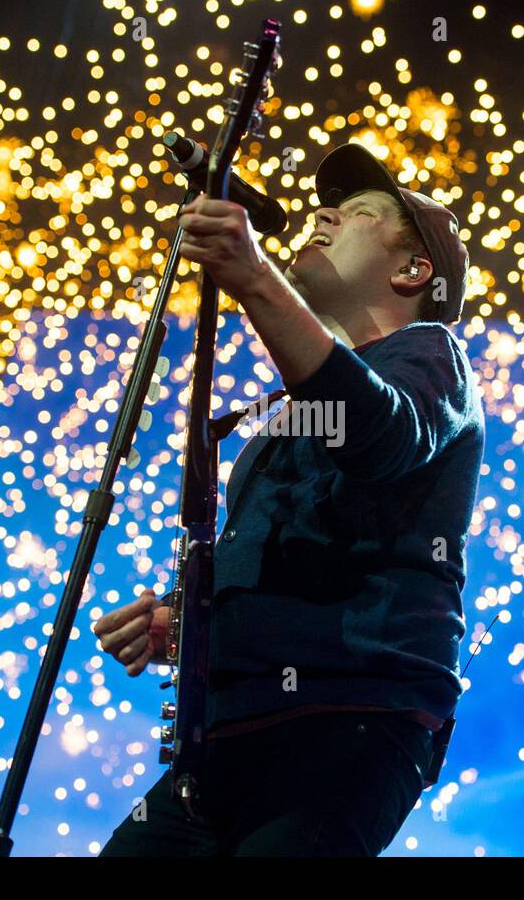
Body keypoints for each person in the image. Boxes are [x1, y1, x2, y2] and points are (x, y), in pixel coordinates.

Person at [94, 143, 485, 856]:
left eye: (360, 212)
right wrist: (185, 626)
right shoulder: (285, 415)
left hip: (346, 721)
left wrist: (253, 276)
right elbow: (293, 560)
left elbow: (377, 435)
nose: (324, 213)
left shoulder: (432, 353)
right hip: (224, 735)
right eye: (328, 206)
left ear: (412, 270)